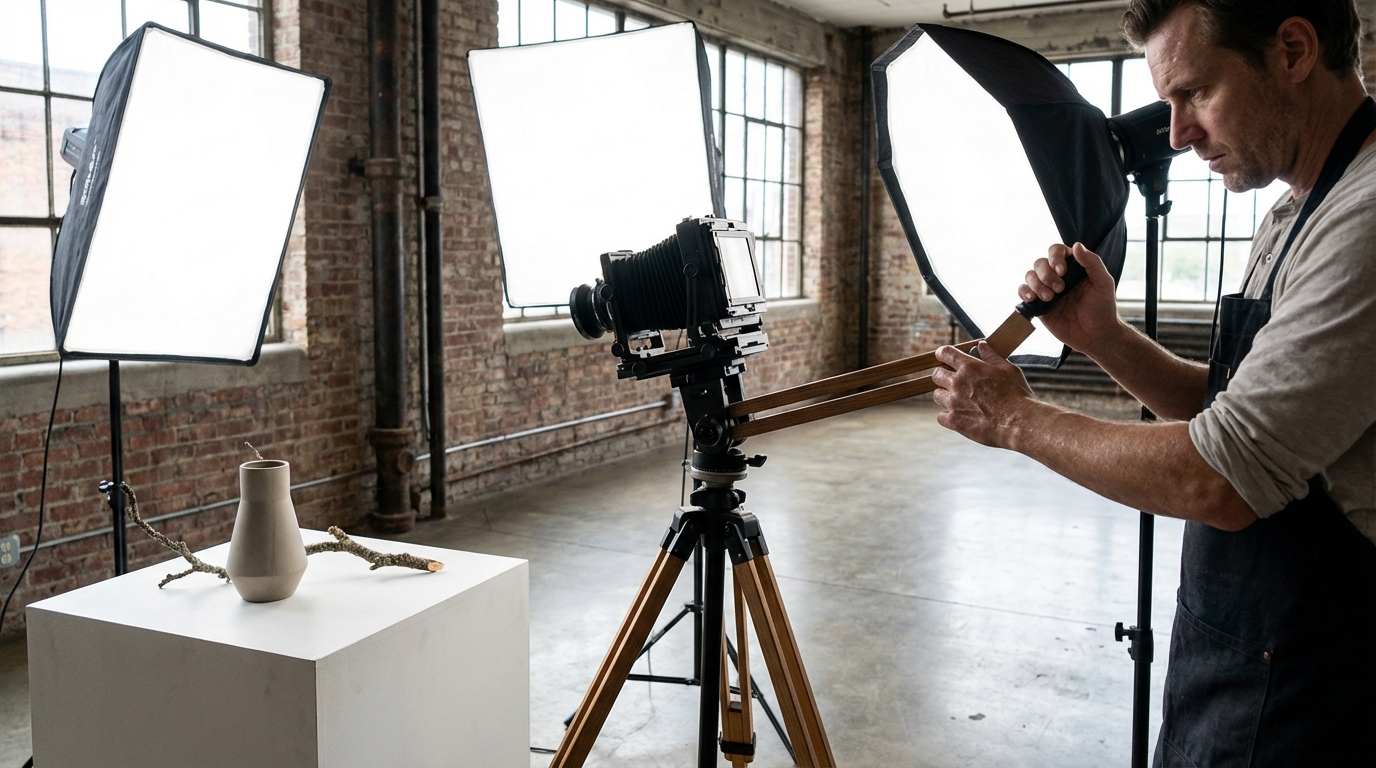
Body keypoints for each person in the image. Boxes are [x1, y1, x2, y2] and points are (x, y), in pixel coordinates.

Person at [929, 0, 1376, 764]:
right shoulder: (1296, 209)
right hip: (1246, 647)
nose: (1175, 133)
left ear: (1293, 48)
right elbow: (1238, 408)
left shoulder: (1364, 220)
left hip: (1322, 675)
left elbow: (1221, 479)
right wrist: (1101, 335)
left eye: (1195, 92)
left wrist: (1014, 421)